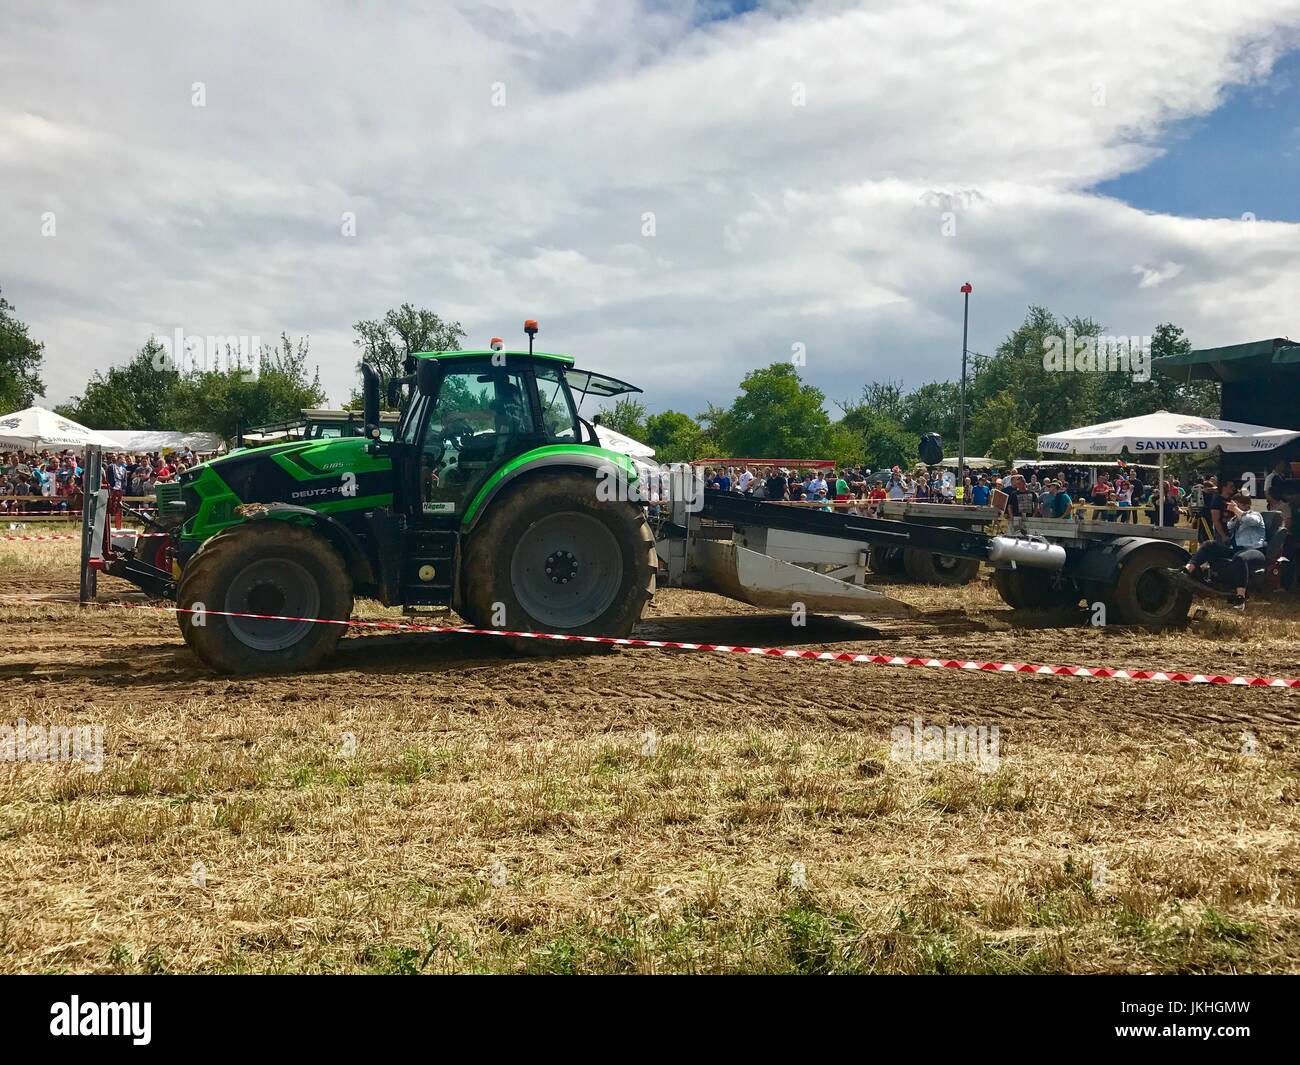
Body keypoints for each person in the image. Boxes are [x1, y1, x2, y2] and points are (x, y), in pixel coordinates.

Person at [1172, 493, 1265, 609]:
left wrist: (1235, 509)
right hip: (1236, 549)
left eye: (1237, 504)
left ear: (1246, 506)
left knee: (1240, 558)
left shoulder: (1256, 515)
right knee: (1209, 545)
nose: (1232, 507)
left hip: (1254, 550)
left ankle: (1240, 598)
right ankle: (1186, 571)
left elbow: (1250, 521)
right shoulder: (1235, 520)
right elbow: (1229, 527)